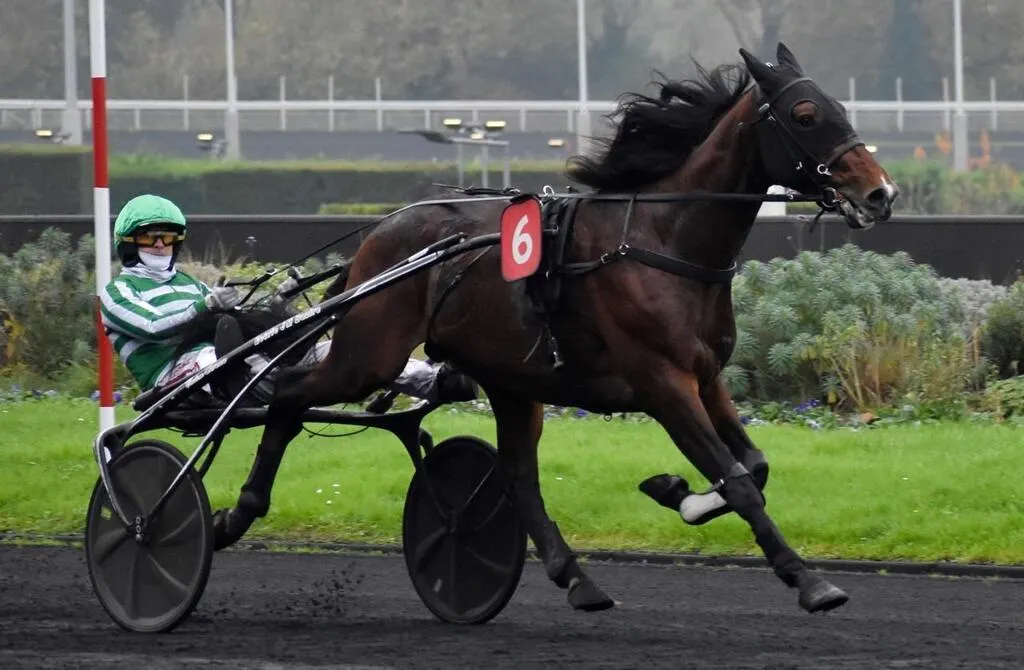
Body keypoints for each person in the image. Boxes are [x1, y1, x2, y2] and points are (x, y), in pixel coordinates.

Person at [99, 193, 476, 408]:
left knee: (340, 351)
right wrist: (209, 306)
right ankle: (264, 369)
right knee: (224, 348)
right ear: (130, 244)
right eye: (151, 238)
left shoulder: (187, 283)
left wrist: (278, 301)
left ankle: (436, 383)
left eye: (167, 237)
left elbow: (227, 315)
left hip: (228, 358)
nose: (161, 245)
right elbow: (150, 328)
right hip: (174, 377)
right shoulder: (117, 293)